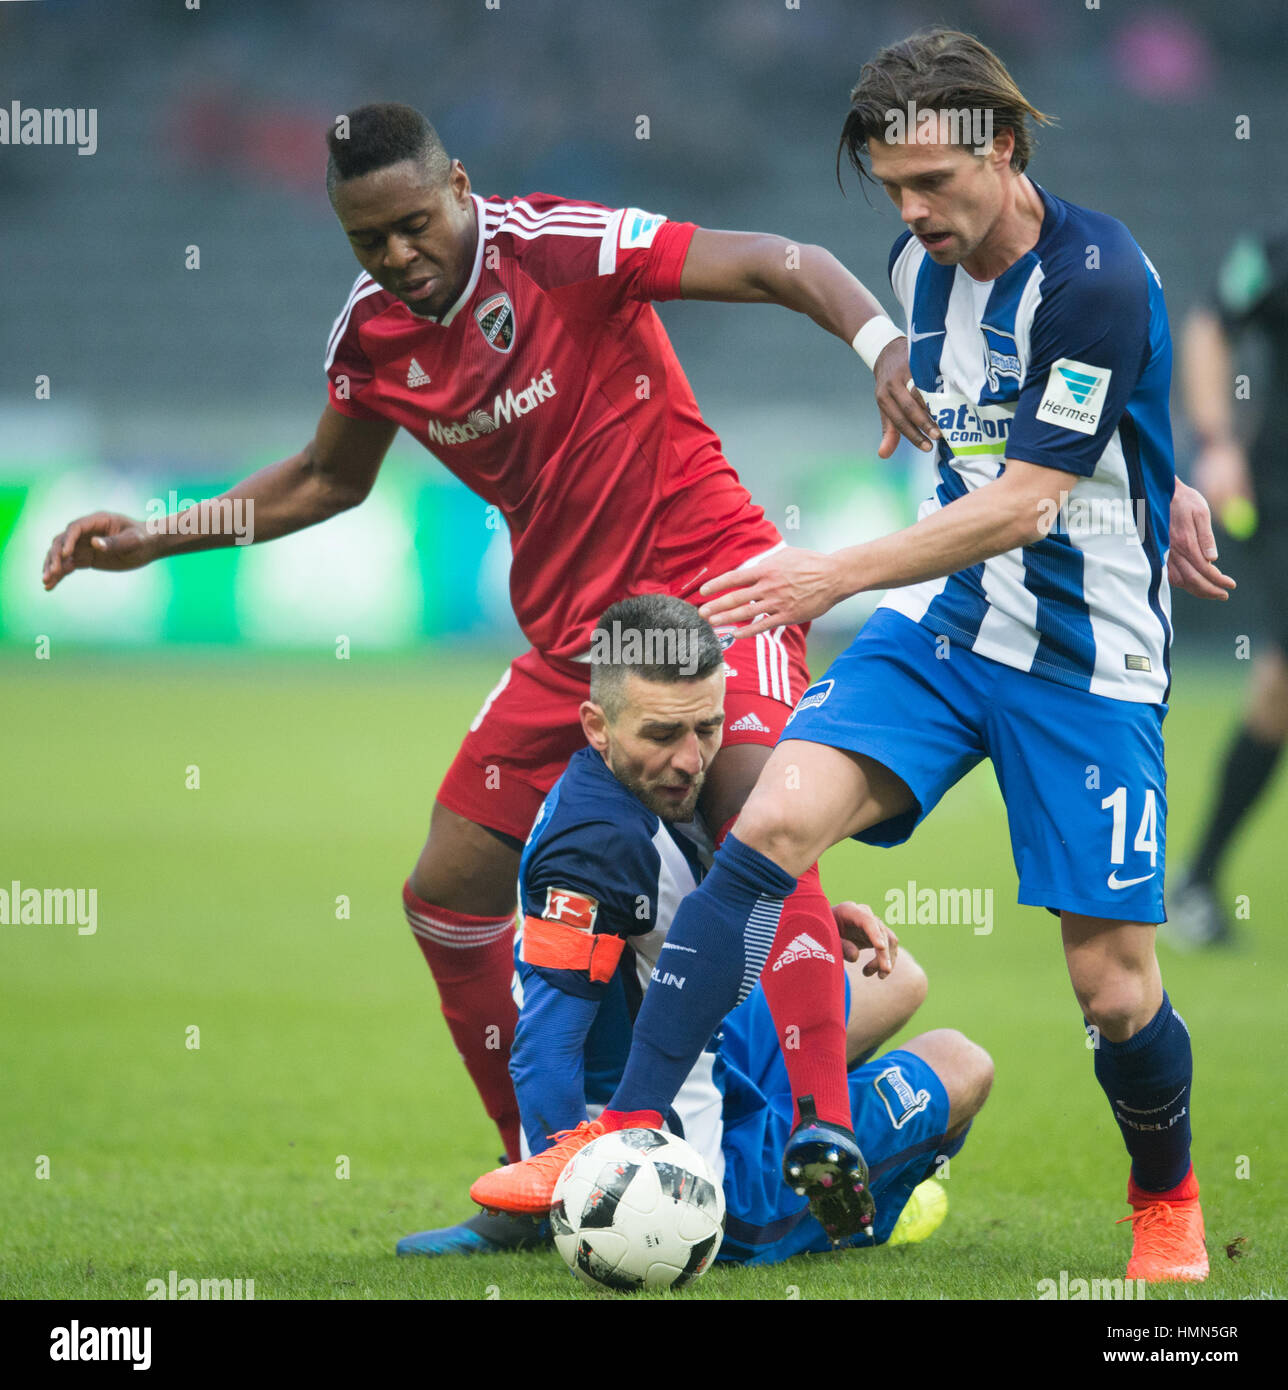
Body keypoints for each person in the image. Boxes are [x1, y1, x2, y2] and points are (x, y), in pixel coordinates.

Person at [40, 101, 949, 1228]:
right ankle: (545, 1179)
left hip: (716, 584)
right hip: (573, 643)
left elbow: (779, 261)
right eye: (367, 240)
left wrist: (883, 343)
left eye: (413, 224)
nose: (397, 256)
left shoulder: (560, 247)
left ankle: (822, 1124)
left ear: (460, 185)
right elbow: (328, 480)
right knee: (447, 892)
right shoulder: (372, 336)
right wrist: (153, 536)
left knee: (756, 808)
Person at [476, 31, 1231, 1283]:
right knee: (770, 820)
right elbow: (1006, 439)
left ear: (1003, 146)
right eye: (890, 188)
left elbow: (1030, 498)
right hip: (945, 637)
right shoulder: (917, 270)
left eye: (933, 182)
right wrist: (1142, 470)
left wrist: (828, 573)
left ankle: (1168, 1195)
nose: (911, 211)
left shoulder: (1094, 274)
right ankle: (616, 1131)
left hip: (1083, 664)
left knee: (1113, 989)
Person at [404, 595, 991, 1263]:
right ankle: (867, 1199)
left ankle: (825, 1141)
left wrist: (813, 918)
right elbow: (545, 1048)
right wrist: (576, 1189)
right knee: (963, 1063)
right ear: (595, 725)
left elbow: (672, 918)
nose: (691, 759)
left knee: (896, 976)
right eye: (662, 735)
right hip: (681, 1171)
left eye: (706, 729)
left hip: (710, 1051)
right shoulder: (595, 846)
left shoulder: (641, 787)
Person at [1166, 228, 1288, 948]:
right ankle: (1198, 878)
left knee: (1279, 686)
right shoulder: (1273, 254)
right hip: (1282, 493)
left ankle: (1198, 878)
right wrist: (1215, 441)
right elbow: (1212, 322)